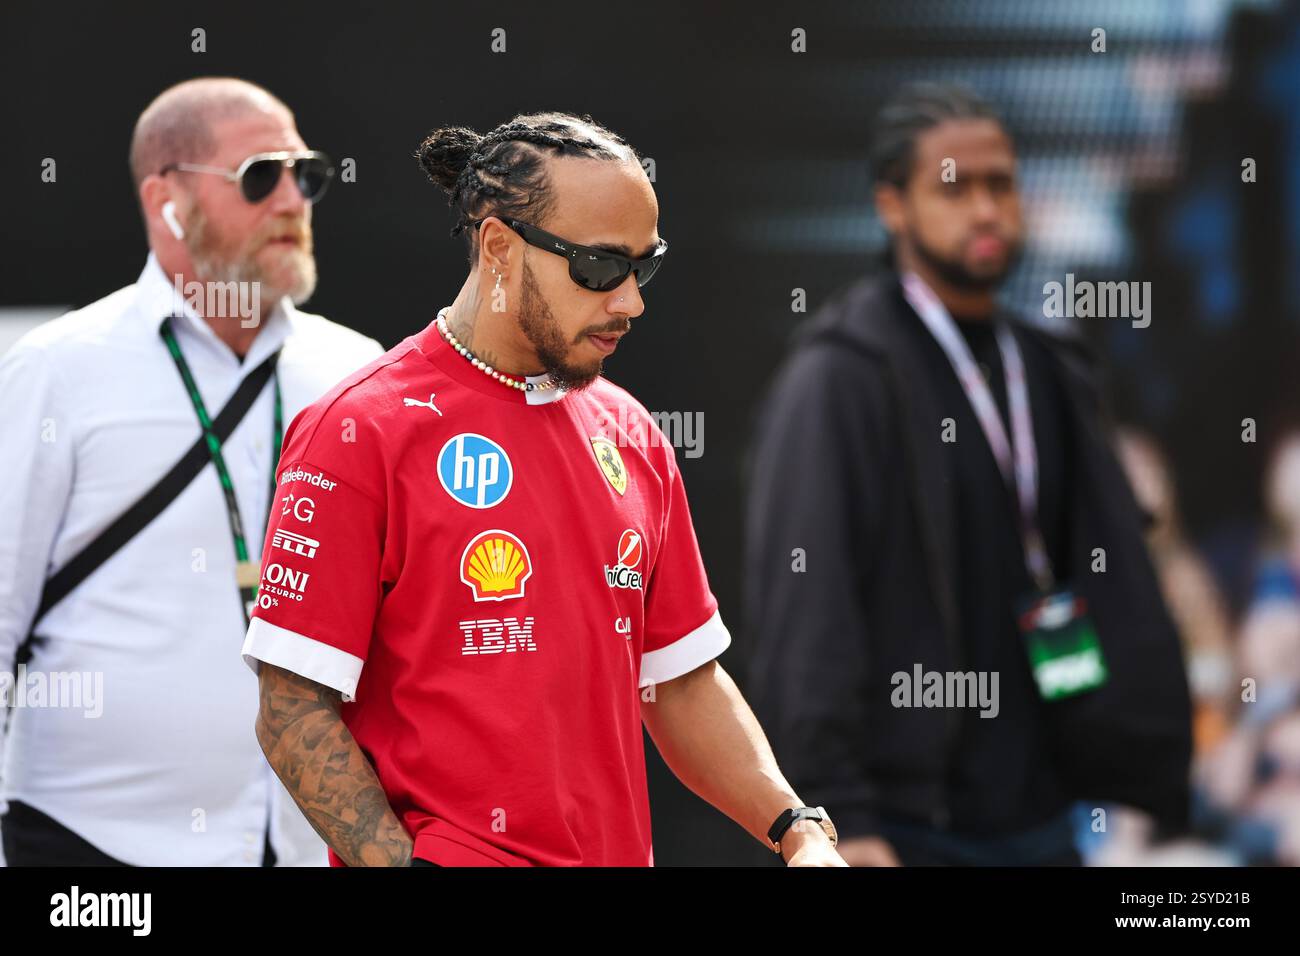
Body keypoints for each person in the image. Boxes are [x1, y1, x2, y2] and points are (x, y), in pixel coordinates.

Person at [242, 111, 845, 867]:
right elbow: (291, 707)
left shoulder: (631, 432)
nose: (630, 301)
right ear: (498, 247)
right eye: (599, 268)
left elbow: (683, 684)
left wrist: (798, 831)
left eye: (643, 265)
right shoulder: (358, 428)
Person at [745, 83, 1192, 866]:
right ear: (893, 205)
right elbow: (805, 612)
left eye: (1001, 184)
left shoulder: (1047, 366)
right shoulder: (841, 377)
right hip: (905, 828)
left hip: (1045, 815)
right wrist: (839, 820)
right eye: (955, 186)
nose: (985, 209)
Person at [0, 77, 384, 866]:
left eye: (305, 175)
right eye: (259, 176)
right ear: (166, 199)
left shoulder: (358, 371)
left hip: (304, 843)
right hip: (88, 850)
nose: (291, 200)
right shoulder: (56, 369)